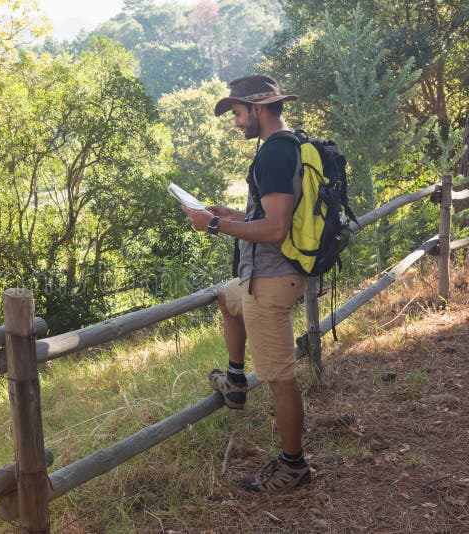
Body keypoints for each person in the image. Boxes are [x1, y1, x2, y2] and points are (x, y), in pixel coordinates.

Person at [182, 74, 310, 493]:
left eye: (237, 113)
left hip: (271, 280)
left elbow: (274, 229)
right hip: (263, 278)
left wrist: (216, 224)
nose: (236, 121)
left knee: (279, 378)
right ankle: (236, 379)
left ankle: (294, 468)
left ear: (258, 108)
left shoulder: (272, 155)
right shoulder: (288, 145)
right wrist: (231, 213)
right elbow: (270, 214)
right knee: (226, 297)